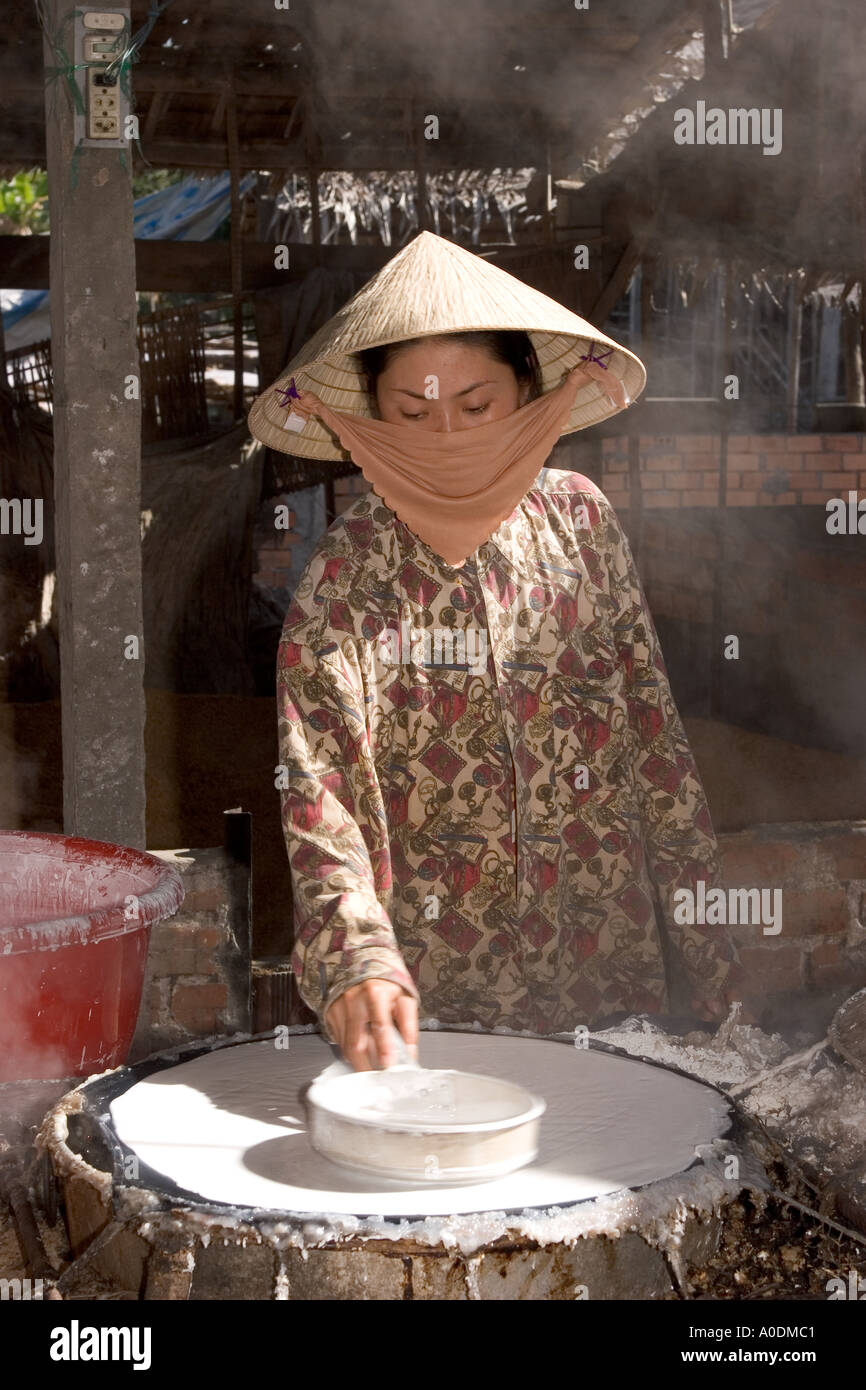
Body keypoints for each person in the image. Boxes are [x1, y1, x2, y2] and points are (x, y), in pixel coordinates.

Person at [247, 232, 744, 1073]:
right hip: (441, 1013)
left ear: (528, 394)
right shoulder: (345, 577)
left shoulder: (581, 524)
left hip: (606, 978)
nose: (447, 437)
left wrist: (713, 963)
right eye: (413, 415)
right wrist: (357, 955)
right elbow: (317, 789)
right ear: (370, 421)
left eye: (476, 408)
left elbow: (657, 749)